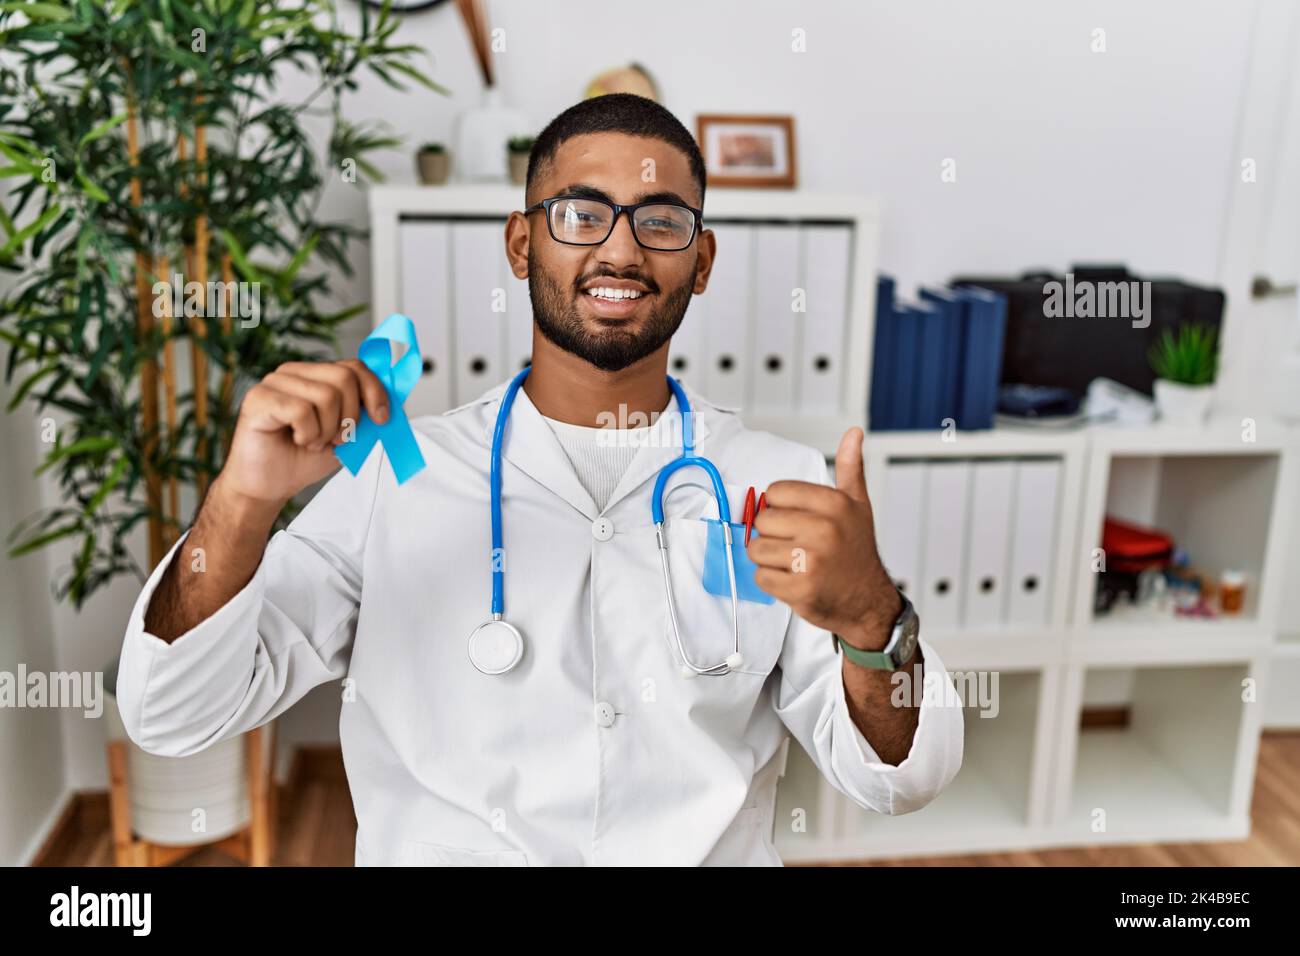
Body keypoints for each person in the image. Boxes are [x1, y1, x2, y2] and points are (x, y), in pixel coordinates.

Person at [116, 93, 962, 866]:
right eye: (582, 214)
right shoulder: (395, 477)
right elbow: (173, 712)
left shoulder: (777, 483)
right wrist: (243, 499)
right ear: (523, 244)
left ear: (700, 262)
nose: (622, 249)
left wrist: (872, 619)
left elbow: (901, 778)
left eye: (660, 221)